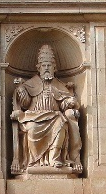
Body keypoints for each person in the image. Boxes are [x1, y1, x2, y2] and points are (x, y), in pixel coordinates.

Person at [11, 44, 83, 174]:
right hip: (34, 117)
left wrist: (69, 101)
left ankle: (54, 158)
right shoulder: (30, 84)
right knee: (32, 130)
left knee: (61, 124)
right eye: (43, 66)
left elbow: (63, 103)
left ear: (54, 68)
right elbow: (25, 103)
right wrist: (21, 89)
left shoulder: (59, 85)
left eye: (49, 66)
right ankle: (33, 162)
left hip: (54, 117)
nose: (46, 68)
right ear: (38, 68)